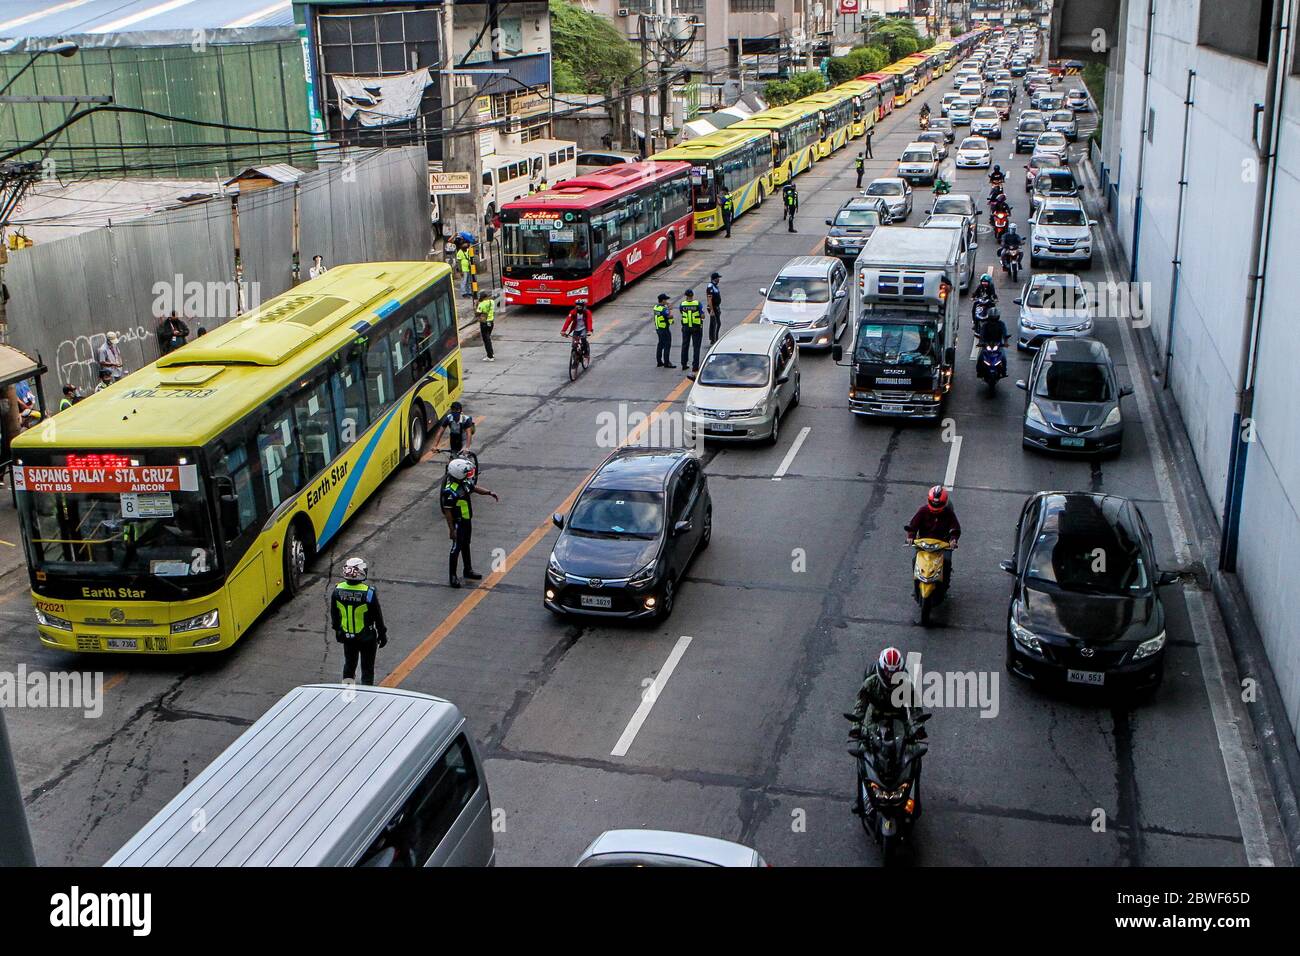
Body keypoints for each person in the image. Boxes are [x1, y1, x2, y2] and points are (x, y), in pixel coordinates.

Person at [844, 646, 925, 775]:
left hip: (900, 719)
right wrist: (856, 727)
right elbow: (860, 707)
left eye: (894, 673)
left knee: (914, 750)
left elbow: (915, 708)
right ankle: (864, 776)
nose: (890, 676)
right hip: (875, 719)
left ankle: (913, 778)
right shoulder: (870, 684)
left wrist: (919, 727)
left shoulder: (906, 684)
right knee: (863, 749)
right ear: (881, 669)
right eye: (888, 672)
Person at [440, 457, 499, 588]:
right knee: (456, 549)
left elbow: (474, 488)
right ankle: (453, 576)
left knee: (466, 545)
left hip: (467, 521)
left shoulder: (464, 483)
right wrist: (451, 529)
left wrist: (489, 492)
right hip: (458, 523)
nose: (468, 475)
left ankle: (468, 570)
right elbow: (447, 512)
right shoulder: (450, 491)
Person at [330, 557, 388, 686]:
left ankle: (347, 693)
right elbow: (378, 616)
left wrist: (338, 630)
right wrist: (382, 634)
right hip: (367, 637)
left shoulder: (337, 590)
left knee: (349, 666)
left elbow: (335, 615)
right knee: (367, 669)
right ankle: (366, 697)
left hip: (347, 636)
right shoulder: (368, 593)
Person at [905, 485, 962, 586]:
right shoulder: (923, 511)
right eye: (934, 503)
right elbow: (913, 525)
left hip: (943, 544)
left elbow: (955, 528)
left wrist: (953, 540)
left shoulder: (949, 513)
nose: (935, 507)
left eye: (938, 504)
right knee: (915, 560)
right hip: (923, 543)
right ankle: (916, 584)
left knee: (947, 561)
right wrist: (911, 536)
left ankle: (945, 584)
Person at [679, 290, 703, 375]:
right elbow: (702, 315)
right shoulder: (697, 303)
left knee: (685, 345)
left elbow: (681, 312)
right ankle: (695, 366)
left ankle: (684, 364)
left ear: (685, 296)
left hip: (686, 327)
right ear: (693, 295)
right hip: (696, 327)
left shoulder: (682, 304)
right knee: (696, 347)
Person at [561, 298, 593, 363]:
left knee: (583, 339)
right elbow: (568, 321)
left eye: (580, 305)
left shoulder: (587, 312)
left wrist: (589, 331)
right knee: (574, 344)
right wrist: (563, 330)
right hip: (576, 329)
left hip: (584, 329)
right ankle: (575, 359)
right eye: (577, 305)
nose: (578, 307)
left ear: (583, 306)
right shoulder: (573, 312)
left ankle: (586, 353)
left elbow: (589, 321)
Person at [653, 293, 675, 368]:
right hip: (664, 329)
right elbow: (669, 316)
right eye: (666, 300)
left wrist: (667, 307)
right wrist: (670, 310)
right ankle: (667, 362)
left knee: (660, 344)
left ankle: (659, 361)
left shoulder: (656, 307)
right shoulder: (664, 309)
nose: (667, 301)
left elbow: (664, 312)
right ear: (662, 300)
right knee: (667, 345)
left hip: (658, 328)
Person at [475, 291, 495, 362]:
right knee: (488, 338)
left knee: (486, 340)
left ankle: (490, 356)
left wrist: (477, 304)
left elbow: (477, 313)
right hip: (491, 322)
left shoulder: (481, 305)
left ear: (481, 297)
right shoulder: (492, 302)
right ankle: (491, 353)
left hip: (484, 323)